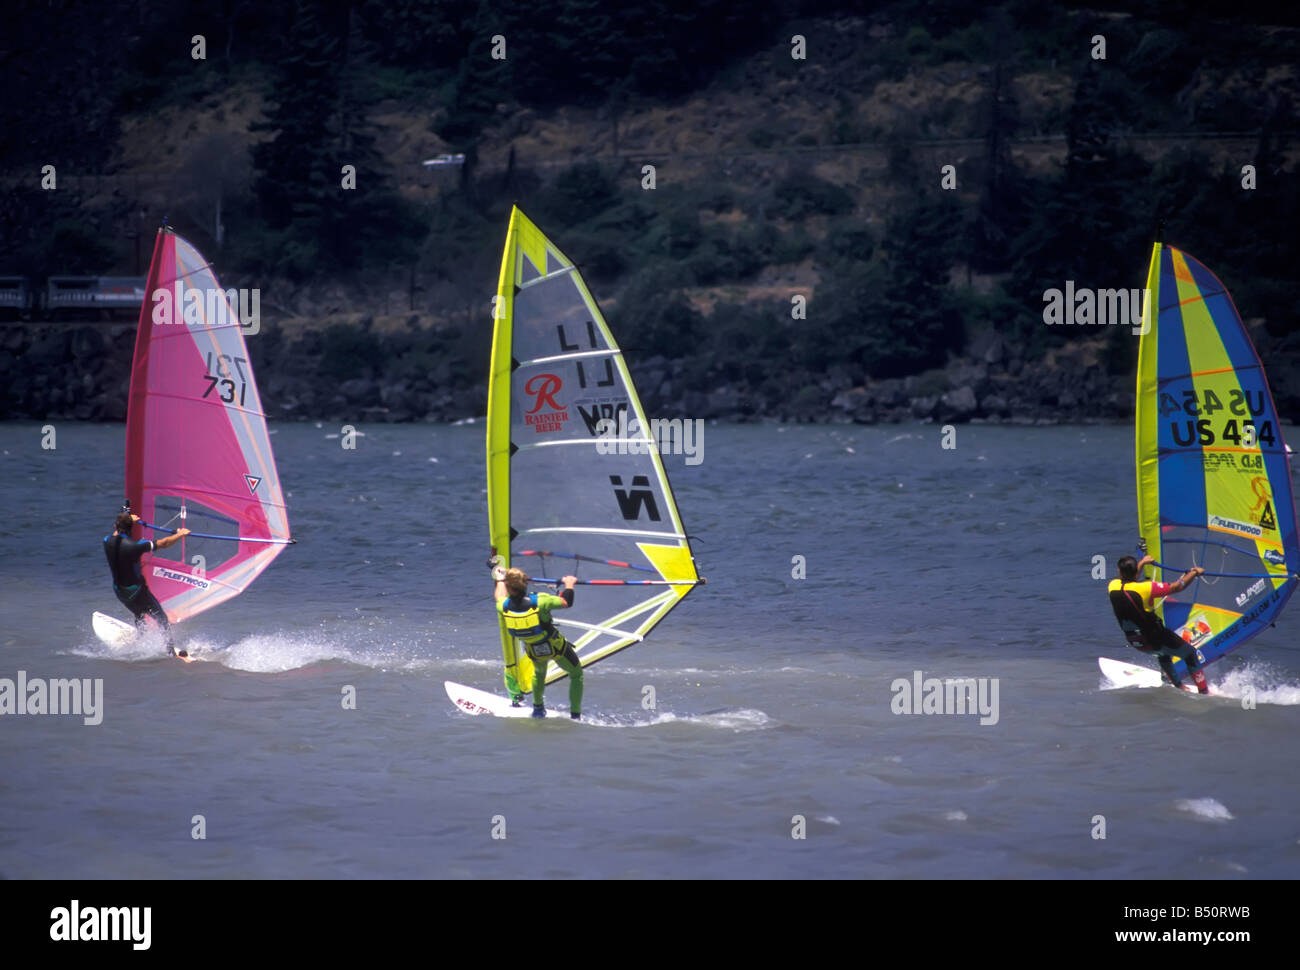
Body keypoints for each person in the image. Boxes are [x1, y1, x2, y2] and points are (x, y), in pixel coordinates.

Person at [492, 558, 583, 719]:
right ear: (525, 583)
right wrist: (569, 583)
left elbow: (499, 596)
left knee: (539, 673)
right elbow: (566, 602)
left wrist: (499, 578)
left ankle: (538, 709)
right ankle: (575, 715)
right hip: (555, 647)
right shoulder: (540, 601)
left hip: (533, 649)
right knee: (576, 674)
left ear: (508, 587)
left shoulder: (503, 606)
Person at [1107, 554, 1209, 693]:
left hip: (1137, 642)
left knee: (1163, 654)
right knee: (1190, 654)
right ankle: (1204, 692)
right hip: (1156, 638)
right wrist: (1194, 573)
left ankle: (1179, 687)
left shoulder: (1112, 586)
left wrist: (1142, 563)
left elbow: (1130, 581)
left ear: (1119, 572)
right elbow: (1177, 587)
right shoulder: (1147, 588)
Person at [105, 510, 190, 657]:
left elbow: (116, 534)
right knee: (161, 618)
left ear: (115, 526)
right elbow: (164, 543)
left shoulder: (107, 541)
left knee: (139, 613)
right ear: (131, 527)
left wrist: (128, 520)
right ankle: (170, 652)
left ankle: (140, 642)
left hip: (119, 591)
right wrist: (180, 534)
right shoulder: (136, 545)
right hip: (137, 591)